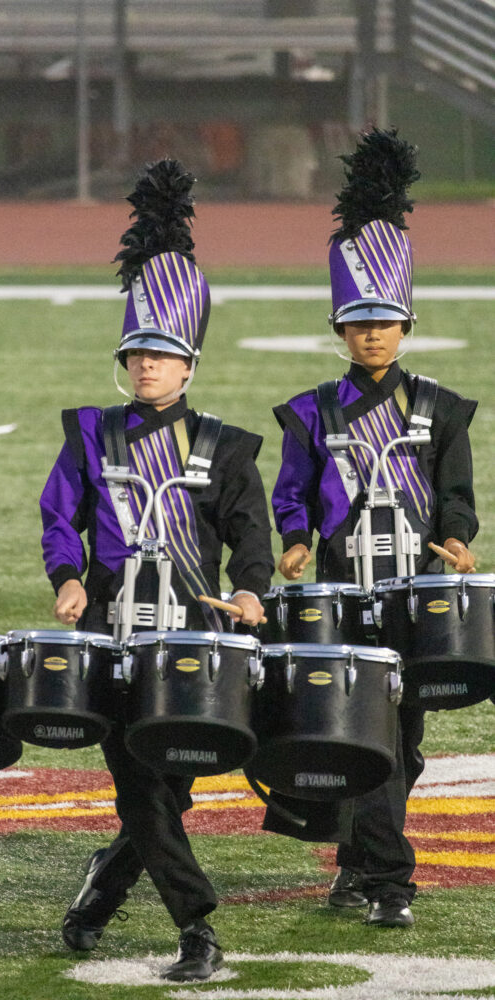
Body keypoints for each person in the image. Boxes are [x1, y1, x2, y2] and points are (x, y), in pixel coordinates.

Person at [39, 159, 274, 981]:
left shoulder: (228, 448)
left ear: (189, 366)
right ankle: (198, 931)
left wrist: (249, 590)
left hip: (192, 638)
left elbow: (252, 537)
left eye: (162, 354)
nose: (146, 365)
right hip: (111, 636)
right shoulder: (88, 436)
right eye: (136, 351)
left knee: (171, 793)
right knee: (140, 785)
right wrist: (66, 578)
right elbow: (56, 516)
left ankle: (105, 884)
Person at [270, 128, 478, 927]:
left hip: (416, 599)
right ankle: (389, 884)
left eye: (384, 321)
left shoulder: (440, 408)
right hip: (338, 601)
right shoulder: (309, 412)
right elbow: (291, 494)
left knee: (404, 748)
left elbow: (455, 496)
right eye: (357, 323)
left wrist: (456, 538)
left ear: (405, 325)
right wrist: (293, 541)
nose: (371, 334)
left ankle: (354, 866)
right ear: (339, 330)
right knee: (374, 743)